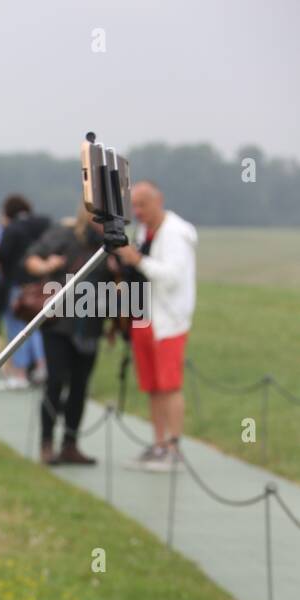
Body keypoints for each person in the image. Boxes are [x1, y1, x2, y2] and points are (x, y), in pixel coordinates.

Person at [23, 204, 117, 465]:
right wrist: (46, 266)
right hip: (58, 324)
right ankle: (46, 443)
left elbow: (121, 283)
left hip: (90, 325)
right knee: (55, 383)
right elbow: (31, 258)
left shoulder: (110, 245)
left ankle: (70, 444)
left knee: (79, 387)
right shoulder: (63, 236)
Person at [114, 181, 197, 472]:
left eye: (143, 205)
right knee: (152, 386)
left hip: (168, 322)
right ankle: (159, 443)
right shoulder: (144, 231)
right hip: (145, 316)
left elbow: (171, 276)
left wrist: (138, 261)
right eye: (134, 206)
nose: (138, 212)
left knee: (169, 385)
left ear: (158, 200)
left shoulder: (176, 234)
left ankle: (173, 447)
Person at [0, 194, 52, 391]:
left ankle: (19, 373)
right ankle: (42, 367)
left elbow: (1, 256)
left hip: (18, 286)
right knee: (37, 328)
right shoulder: (44, 223)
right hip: (42, 286)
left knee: (17, 329)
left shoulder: (11, 229)